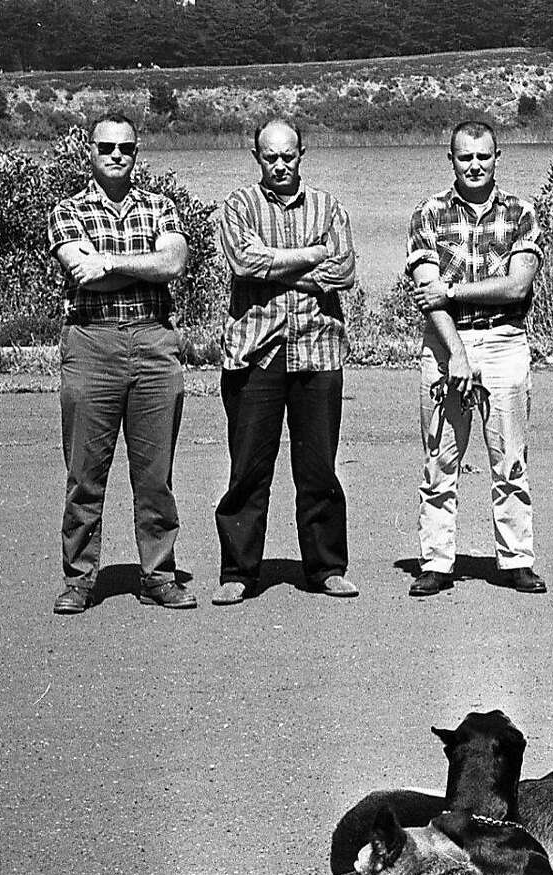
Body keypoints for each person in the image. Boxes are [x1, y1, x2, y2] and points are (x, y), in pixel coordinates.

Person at [48, 114, 193, 613]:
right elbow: (81, 274)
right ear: (89, 150)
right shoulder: (67, 210)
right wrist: (137, 267)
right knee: (86, 473)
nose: (116, 155)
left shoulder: (161, 207)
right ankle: (80, 579)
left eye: (126, 148)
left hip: (154, 344)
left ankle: (159, 573)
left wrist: (108, 262)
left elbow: (172, 263)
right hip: (92, 343)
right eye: (106, 146)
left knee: (154, 472)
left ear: (137, 152)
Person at [211, 118, 359, 604]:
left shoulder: (328, 205)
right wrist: (310, 256)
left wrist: (278, 267)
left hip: (319, 350)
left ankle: (326, 568)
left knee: (318, 469)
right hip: (257, 352)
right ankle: (239, 570)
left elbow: (342, 272)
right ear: (257, 157)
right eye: (270, 156)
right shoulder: (238, 205)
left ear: (302, 154)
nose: (280, 165)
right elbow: (244, 263)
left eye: (288, 156)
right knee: (249, 469)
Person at [404, 120, 547, 596]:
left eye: (483, 156)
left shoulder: (522, 212)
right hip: (445, 345)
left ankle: (516, 559)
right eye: (465, 157)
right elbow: (429, 296)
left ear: (497, 156)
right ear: (451, 160)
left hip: (506, 343)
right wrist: (457, 356)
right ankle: (437, 561)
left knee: (509, 459)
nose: (475, 165)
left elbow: (517, 285)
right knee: (440, 458)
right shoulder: (428, 213)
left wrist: (454, 288)